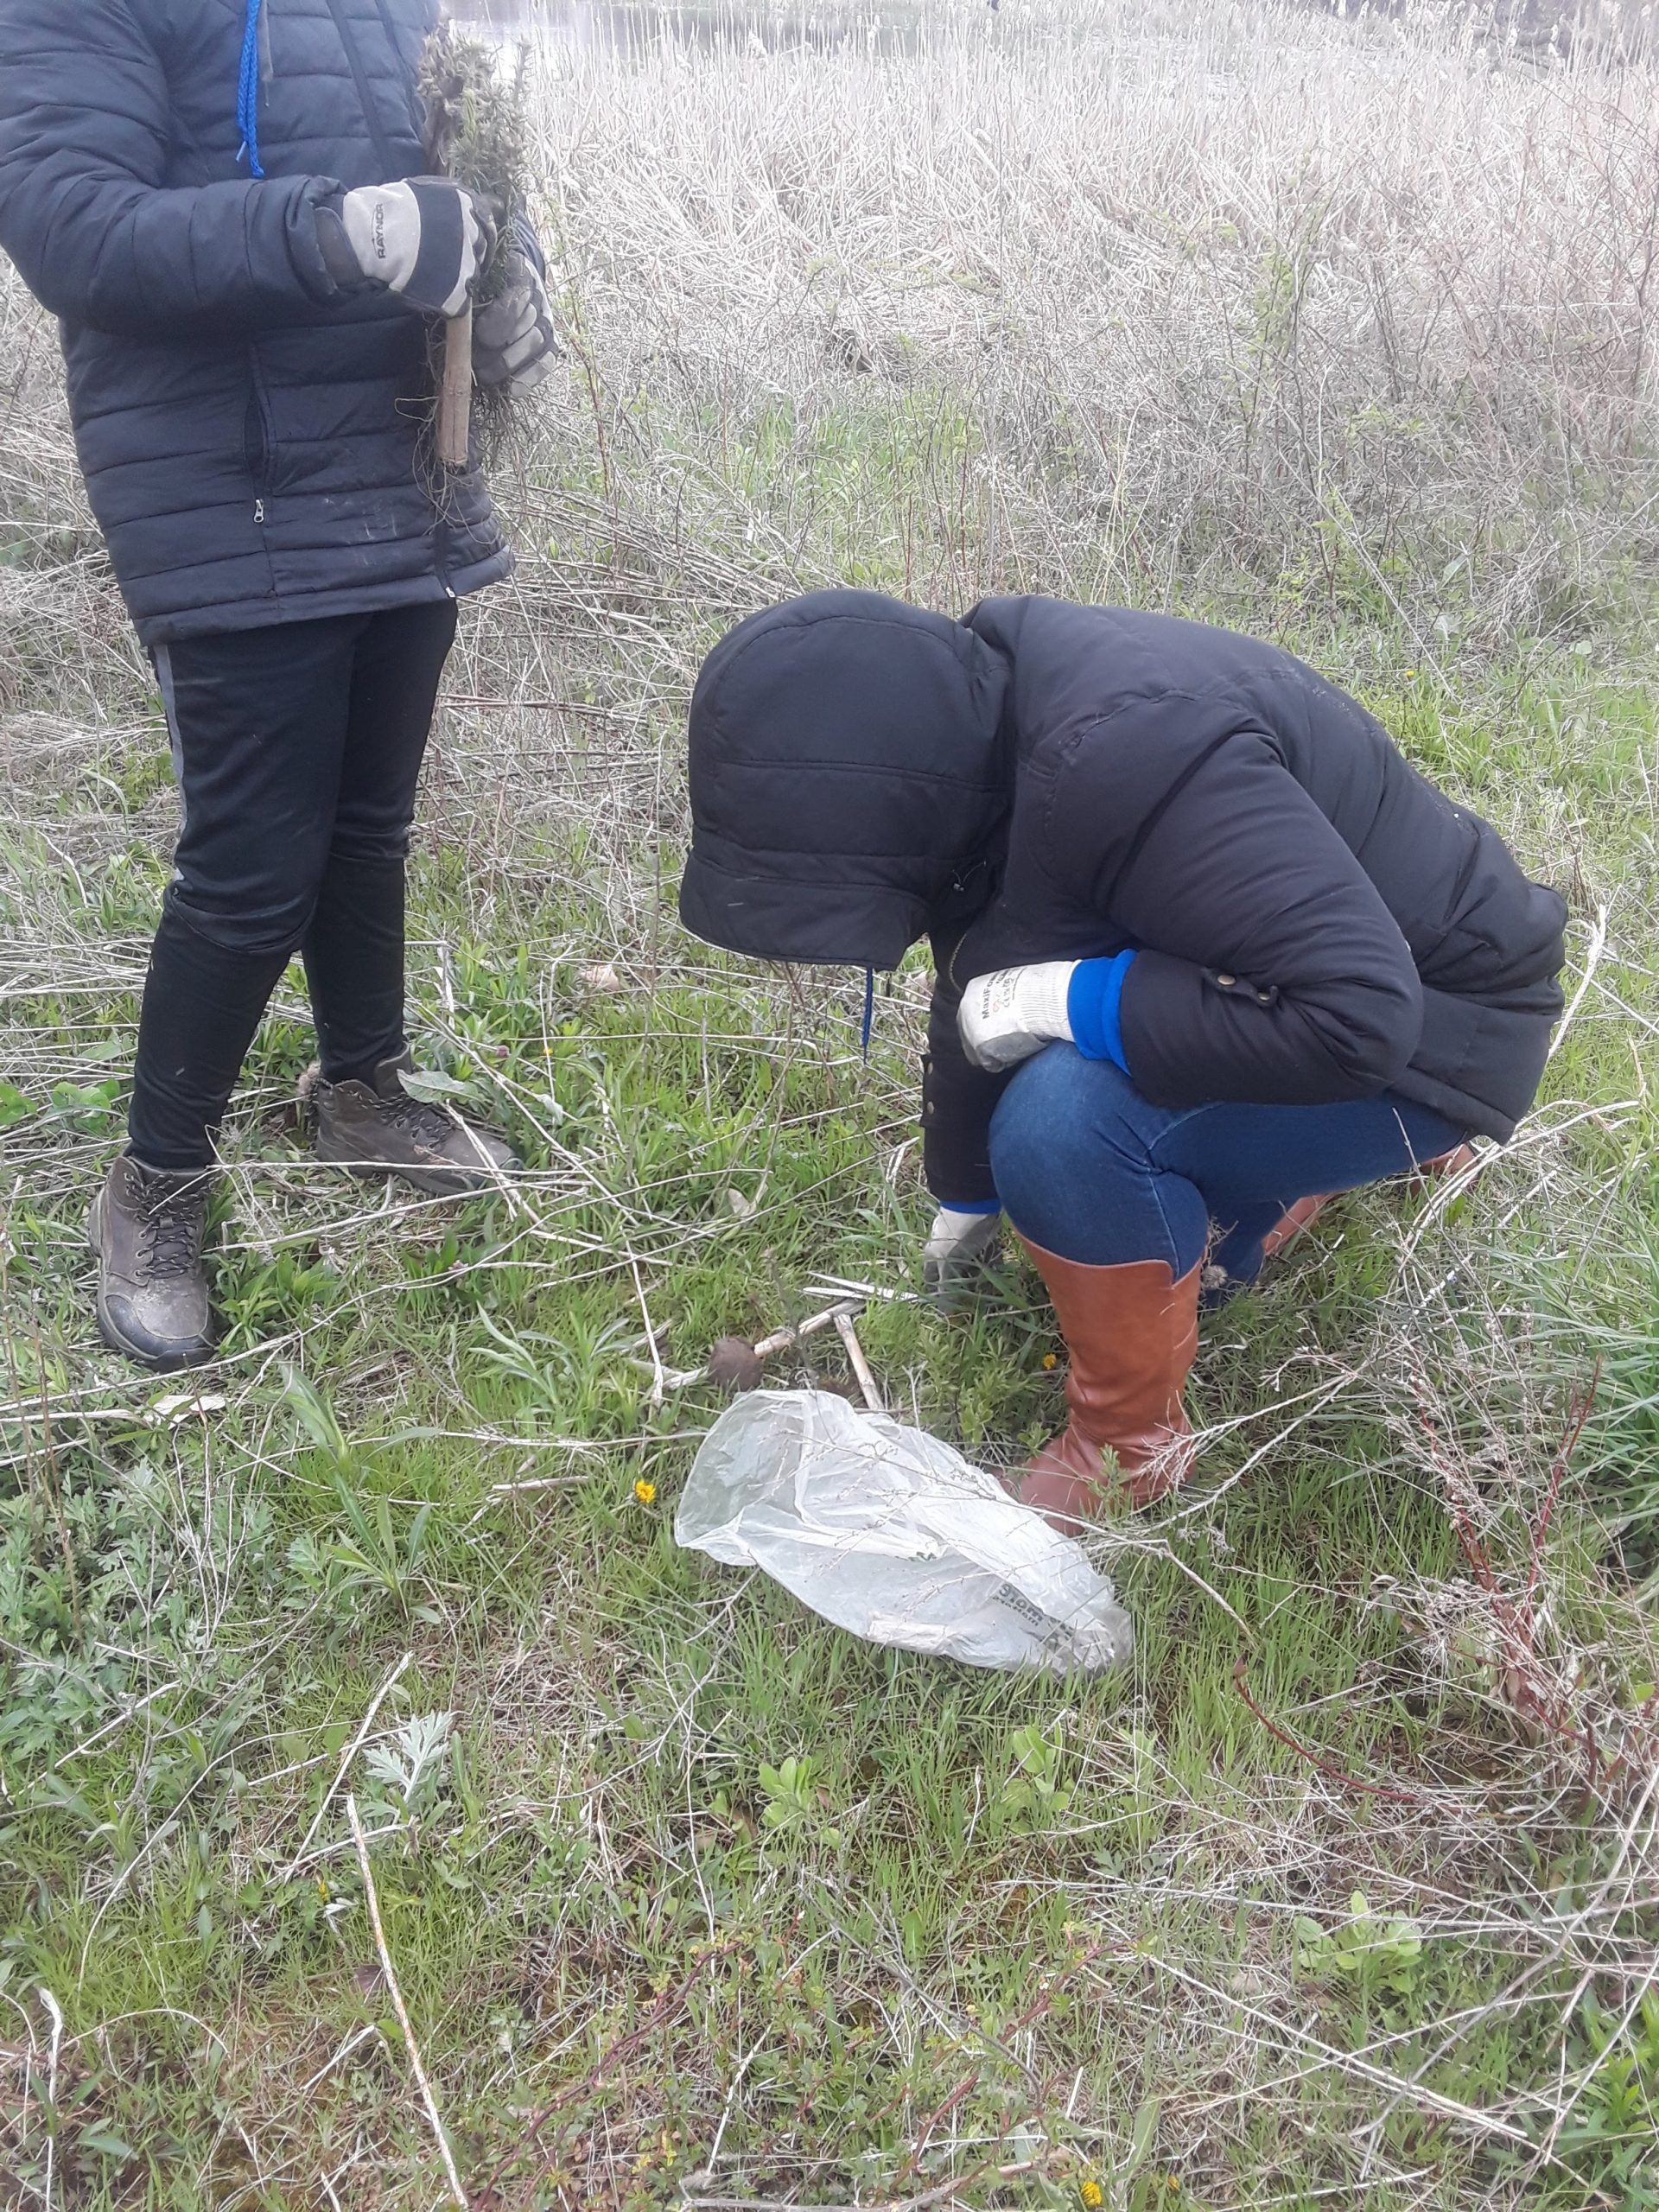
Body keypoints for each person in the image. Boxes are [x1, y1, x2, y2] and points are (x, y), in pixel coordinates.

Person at [678, 590, 1567, 1523]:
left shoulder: (1120, 755)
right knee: (1041, 1071)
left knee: (1061, 1124)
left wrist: (1067, 1000)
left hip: (1448, 1028)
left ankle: (1127, 1450)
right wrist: (964, 1197)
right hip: (1333, 970)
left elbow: (1359, 1016)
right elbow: (981, 967)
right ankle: (1261, 1194)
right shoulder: (988, 728)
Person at [0, 0, 560, 1371]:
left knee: (368, 829)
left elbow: (458, 173)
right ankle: (159, 1177)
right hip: (225, 486)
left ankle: (362, 1088)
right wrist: (343, 232)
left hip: (399, 469)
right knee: (253, 864)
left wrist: (511, 282)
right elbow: (73, 228)